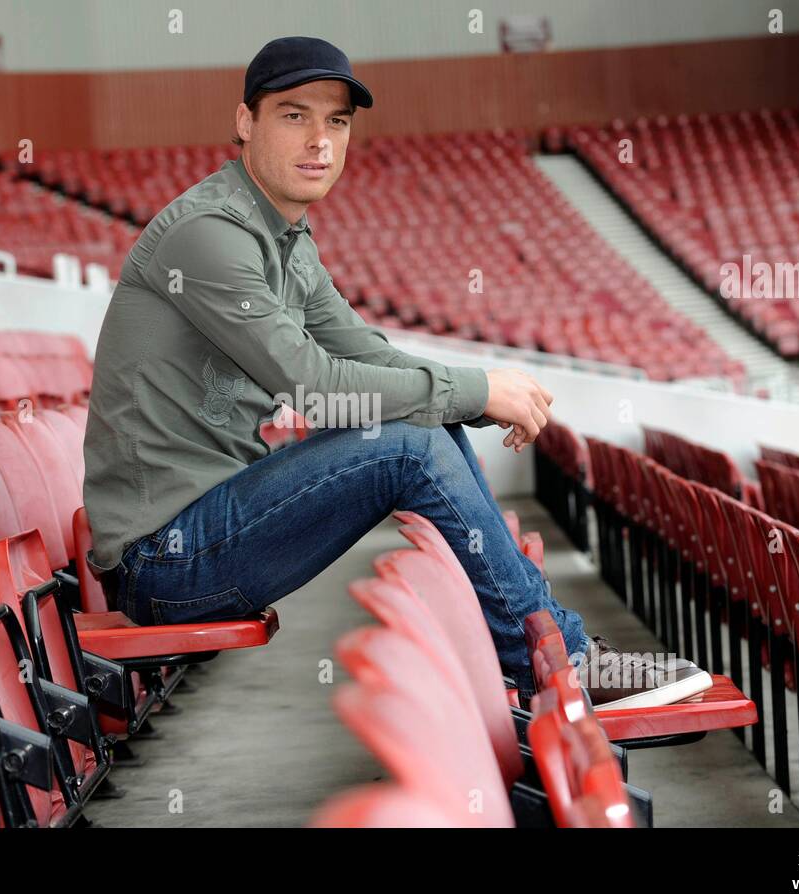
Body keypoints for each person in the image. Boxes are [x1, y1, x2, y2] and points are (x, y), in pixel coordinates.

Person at [83, 36, 708, 707]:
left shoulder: (286, 241)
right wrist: (475, 391)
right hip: (167, 561)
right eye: (295, 116)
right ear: (245, 123)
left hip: (210, 528)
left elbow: (368, 355)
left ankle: (551, 646)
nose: (319, 140)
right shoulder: (209, 234)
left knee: (423, 423)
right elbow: (317, 390)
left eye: (337, 122)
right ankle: (563, 664)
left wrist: (480, 393)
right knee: (408, 442)